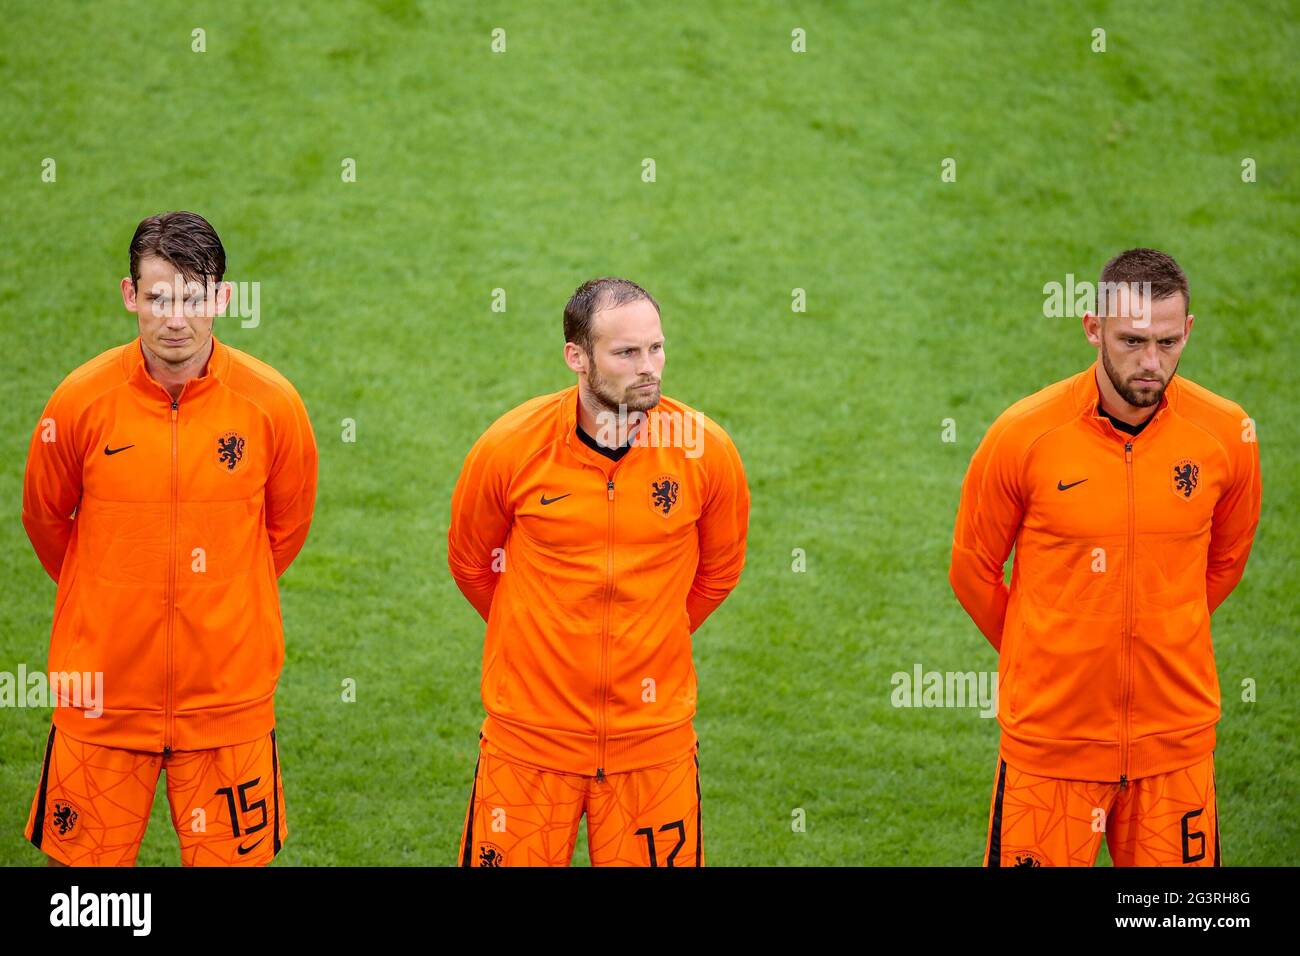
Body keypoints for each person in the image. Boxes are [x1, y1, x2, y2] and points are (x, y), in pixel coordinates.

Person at [21, 211, 318, 866]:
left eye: (193, 297)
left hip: (227, 703)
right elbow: (46, 523)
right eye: (158, 297)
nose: (175, 318)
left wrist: (221, 596)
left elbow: (285, 529)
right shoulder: (78, 402)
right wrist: (107, 597)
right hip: (101, 702)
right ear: (131, 296)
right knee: (86, 908)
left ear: (223, 299)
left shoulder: (273, 406)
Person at [950, 247, 1261, 867]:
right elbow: (973, 571)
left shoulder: (1228, 435)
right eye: (1132, 340)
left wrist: (1159, 633)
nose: (1151, 364)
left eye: (1169, 343)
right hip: (1051, 747)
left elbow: (1224, 562)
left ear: (1188, 332)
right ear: (1093, 327)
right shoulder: (1023, 435)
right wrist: (1049, 651)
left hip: (1175, 746)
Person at [448, 277, 750, 866]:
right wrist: (538, 636)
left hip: (652, 743)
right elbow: (471, 563)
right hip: (530, 741)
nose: (649, 368)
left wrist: (649, 637)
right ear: (577, 358)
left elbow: (719, 572)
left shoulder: (705, 451)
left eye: (656, 348)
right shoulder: (510, 447)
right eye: (626, 352)